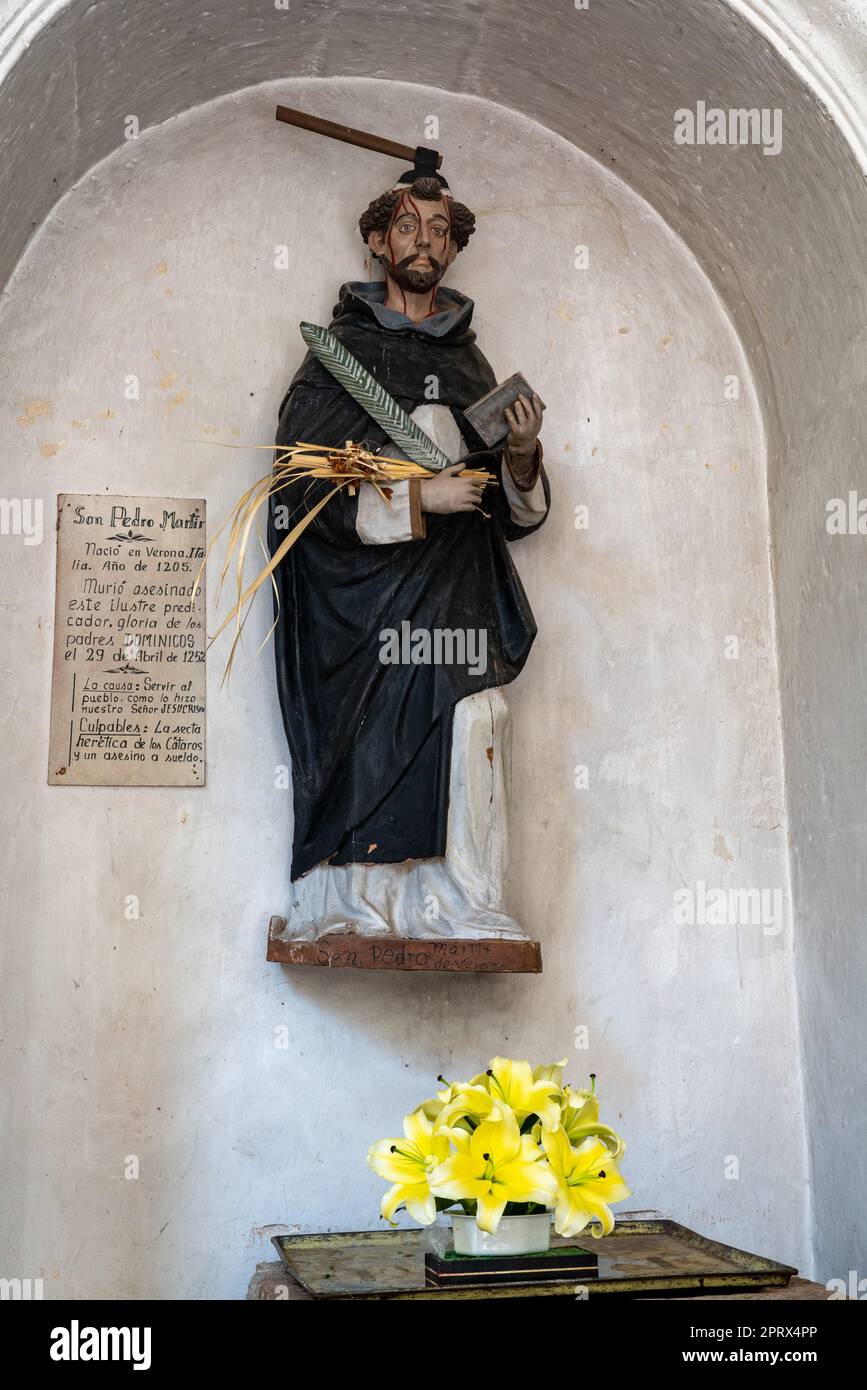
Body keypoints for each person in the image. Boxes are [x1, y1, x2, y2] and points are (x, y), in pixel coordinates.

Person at [267, 168, 550, 939]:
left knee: (476, 718)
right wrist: (420, 500)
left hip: (455, 592)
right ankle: (353, 906)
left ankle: (464, 899)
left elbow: (510, 508)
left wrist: (519, 454)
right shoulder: (339, 356)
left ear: (453, 247)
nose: (423, 244)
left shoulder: (467, 362)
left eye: (438, 231)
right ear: (375, 241)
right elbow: (296, 494)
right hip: (356, 609)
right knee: (367, 741)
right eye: (406, 227)